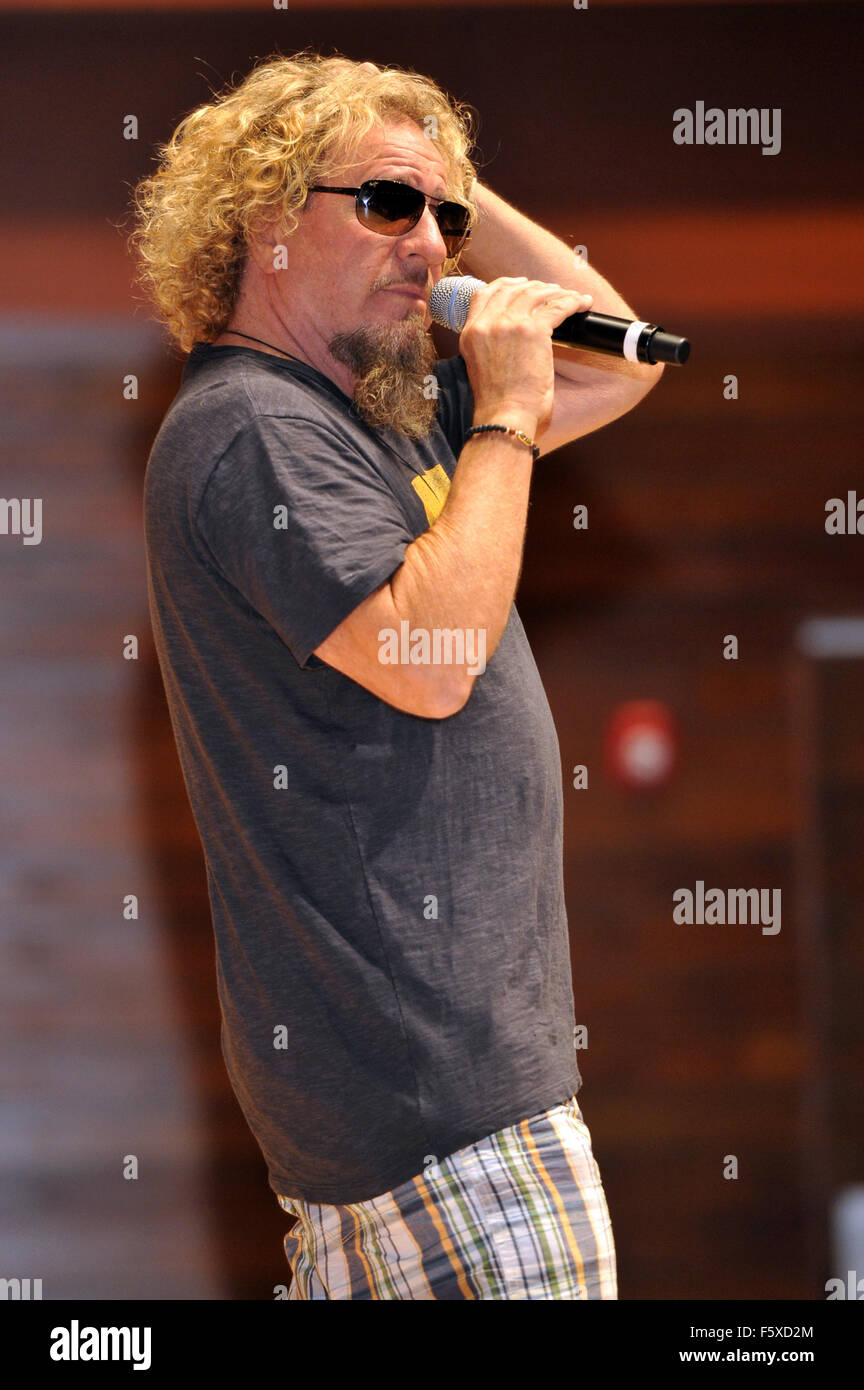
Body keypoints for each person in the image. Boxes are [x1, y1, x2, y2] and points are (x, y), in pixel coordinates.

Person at [132, 50, 663, 1300]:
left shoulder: (383, 405)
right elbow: (424, 661)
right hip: (442, 1107)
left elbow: (622, 357)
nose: (429, 243)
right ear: (265, 219)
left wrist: (440, 177)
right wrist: (506, 417)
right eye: (385, 204)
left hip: (422, 1108)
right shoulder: (257, 426)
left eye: (447, 215)